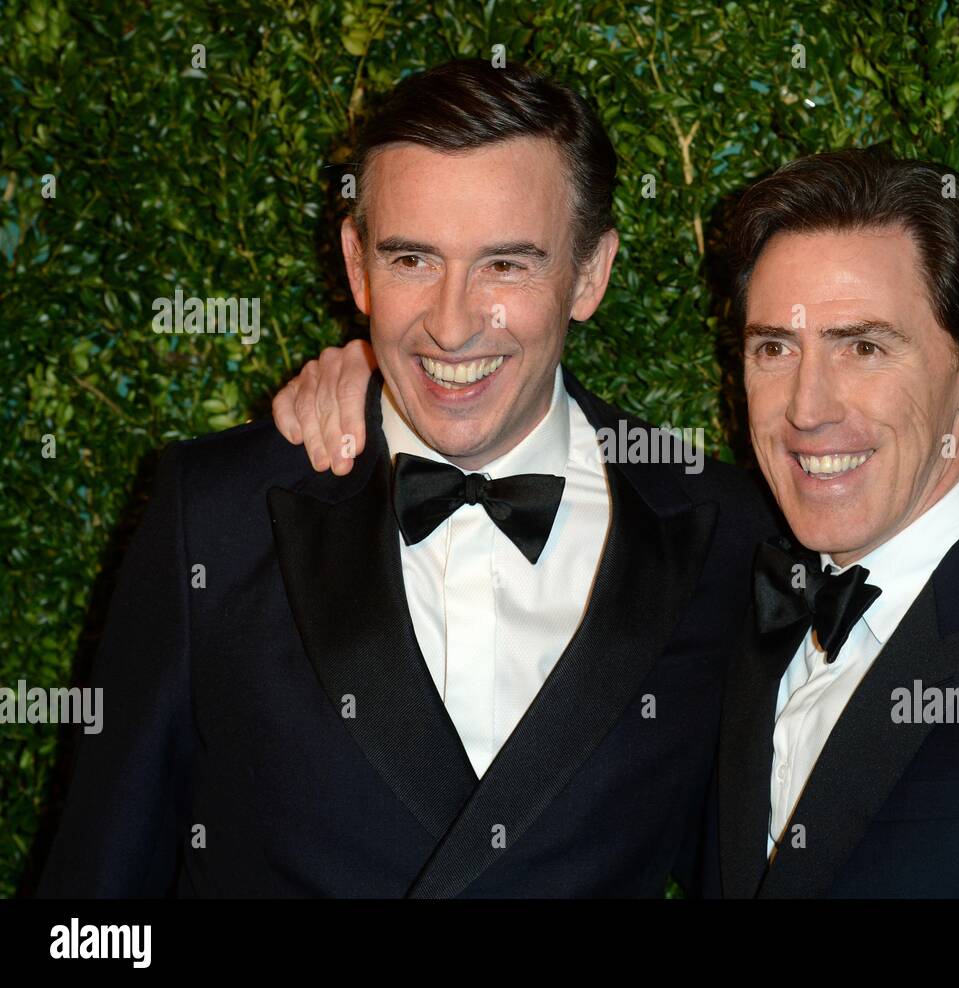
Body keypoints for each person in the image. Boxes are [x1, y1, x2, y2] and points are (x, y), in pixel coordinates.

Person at [283, 147, 959, 898]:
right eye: (774, 347)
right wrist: (396, 387)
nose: (808, 407)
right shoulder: (738, 601)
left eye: (864, 346)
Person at [37, 59, 773, 897]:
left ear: (590, 273)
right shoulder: (213, 515)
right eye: (413, 259)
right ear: (356, 264)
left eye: (507, 265)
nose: (452, 325)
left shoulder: (722, 532)